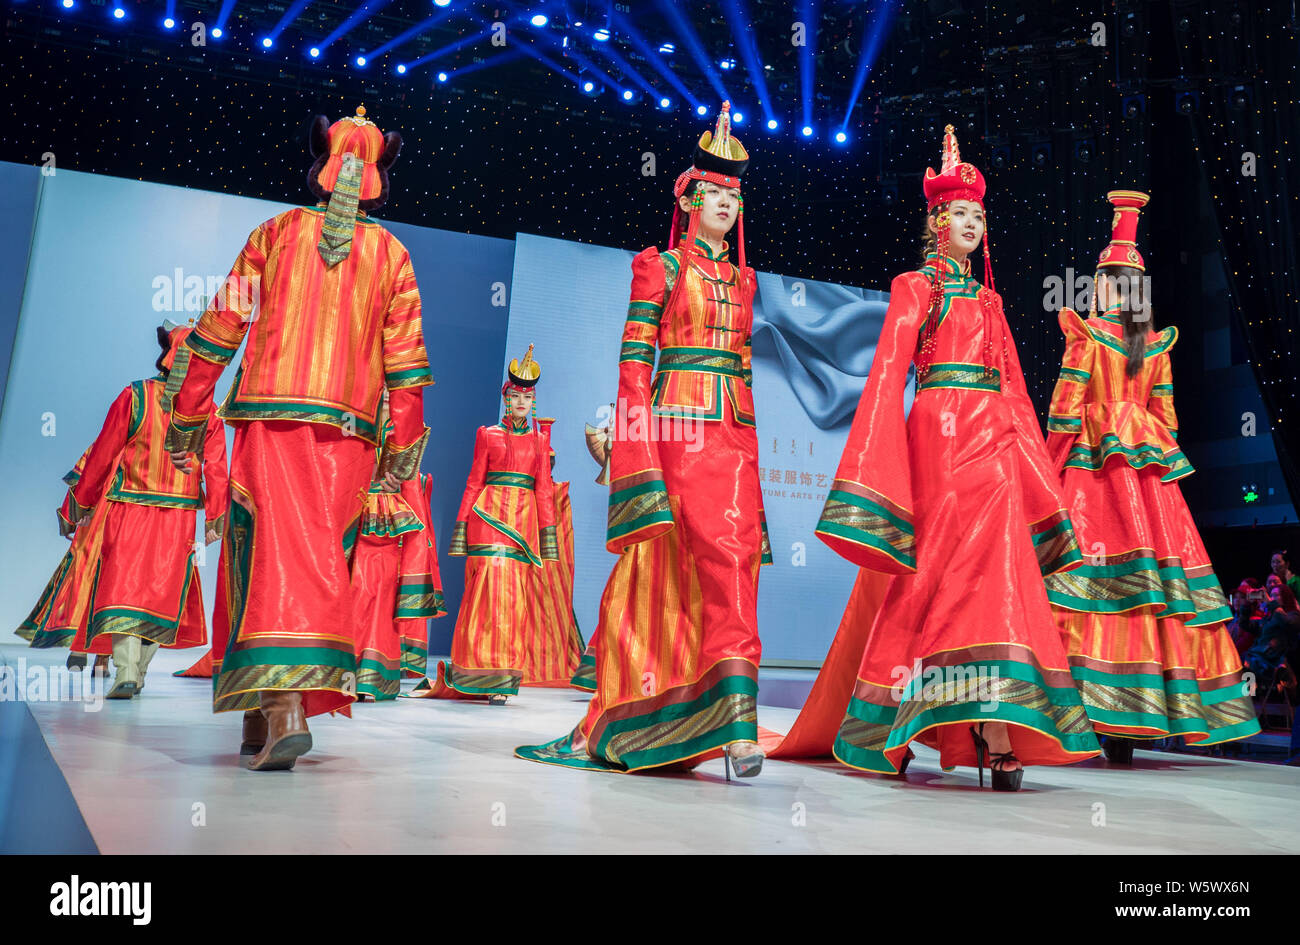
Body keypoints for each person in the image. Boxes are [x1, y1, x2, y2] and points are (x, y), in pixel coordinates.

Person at [805, 125, 1098, 791]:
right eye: (958, 214)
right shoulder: (915, 287)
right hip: (937, 433)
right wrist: (878, 468)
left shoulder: (991, 300)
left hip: (992, 439)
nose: (969, 223)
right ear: (936, 222)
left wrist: (1040, 479)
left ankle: (995, 728)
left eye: (977, 215)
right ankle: (899, 717)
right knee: (930, 570)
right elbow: (886, 374)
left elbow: (1018, 392)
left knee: (998, 571)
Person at [164, 106, 433, 770]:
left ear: (321, 165)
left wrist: (187, 417)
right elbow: (407, 365)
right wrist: (401, 448)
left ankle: (278, 706)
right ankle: (260, 715)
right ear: (378, 175)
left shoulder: (275, 234)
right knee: (316, 560)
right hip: (350, 437)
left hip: (270, 421)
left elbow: (219, 328)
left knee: (265, 559)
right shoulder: (393, 255)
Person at [517, 102, 773, 776]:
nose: (724, 202)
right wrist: (637, 457)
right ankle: (655, 711)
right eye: (713, 191)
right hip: (676, 433)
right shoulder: (657, 267)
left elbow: (743, 367)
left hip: (734, 441)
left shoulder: (745, 280)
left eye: (734, 195)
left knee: (736, 563)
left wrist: (749, 451)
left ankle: (736, 723)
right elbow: (634, 368)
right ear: (687, 196)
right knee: (671, 569)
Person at [1043, 190, 1259, 763]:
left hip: (1097, 473)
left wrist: (1048, 464)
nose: (1105, 289)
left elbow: (1066, 407)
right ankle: (1130, 722)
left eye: (1110, 280)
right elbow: (1166, 420)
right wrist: (1146, 445)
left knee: (1089, 589)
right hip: (1145, 482)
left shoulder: (1088, 337)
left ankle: (1089, 717)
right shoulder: (1150, 347)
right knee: (1153, 594)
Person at [19, 323, 227, 698]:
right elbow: (215, 466)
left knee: (125, 589)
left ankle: (128, 670)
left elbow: (101, 455)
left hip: (130, 507)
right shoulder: (206, 411)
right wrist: (215, 516)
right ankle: (135, 671)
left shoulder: (136, 397)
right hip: (177, 515)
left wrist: (79, 503)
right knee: (158, 594)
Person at [411, 346, 559, 704]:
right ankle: (474, 669)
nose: (521, 402)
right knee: (486, 590)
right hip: (487, 516)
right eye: (516, 396)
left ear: (533, 402)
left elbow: (543, 490)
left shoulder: (541, 442)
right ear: (506, 398)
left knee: (512, 595)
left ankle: (502, 676)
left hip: (521, 524)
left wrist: (547, 536)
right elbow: (475, 481)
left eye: (528, 397)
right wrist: (461, 526)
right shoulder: (487, 434)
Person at [350, 390, 447, 701]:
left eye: (394, 392)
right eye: (383, 391)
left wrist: (401, 485)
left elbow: (409, 480)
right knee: (356, 592)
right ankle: (345, 673)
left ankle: (369, 679)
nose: (389, 397)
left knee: (380, 595)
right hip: (354, 514)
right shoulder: (351, 422)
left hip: (388, 521)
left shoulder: (404, 433)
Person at [520, 448, 584, 686]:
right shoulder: (540, 493)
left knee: (546, 606)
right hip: (537, 566)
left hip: (546, 567)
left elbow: (563, 537)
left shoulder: (555, 494)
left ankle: (539, 661)